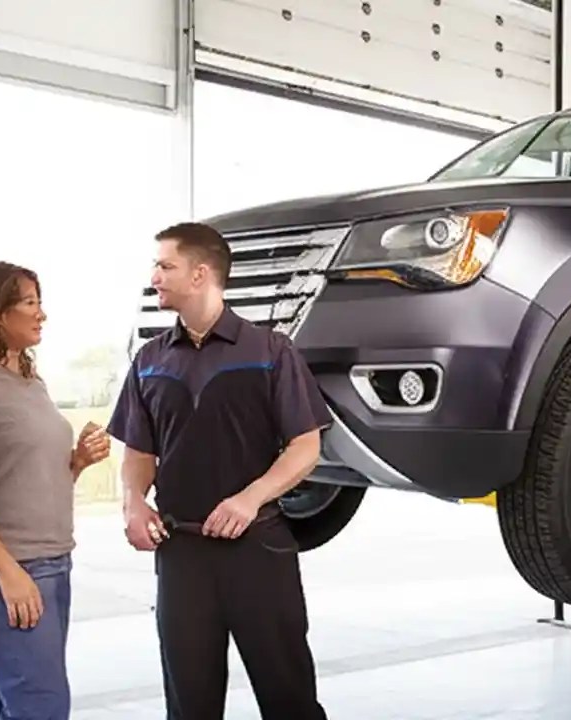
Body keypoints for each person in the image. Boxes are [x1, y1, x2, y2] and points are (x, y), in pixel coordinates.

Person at [108, 222, 331, 720]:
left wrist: (250, 498)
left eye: (165, 266)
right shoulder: (149, 360)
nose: (154, 277)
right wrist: (134, 502)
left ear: (200, 274)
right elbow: (139, 451)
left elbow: (305, 445)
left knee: (289, 699)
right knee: (189, 705)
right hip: (181, 554)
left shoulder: (271, 351)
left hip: (258, 549)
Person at [0, 261, 112, 720]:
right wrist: (7, 572)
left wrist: (76, 462)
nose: (41, 313)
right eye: (29, 302)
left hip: (52, 561)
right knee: (42, 707)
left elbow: (21, 478)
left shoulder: (32, 383)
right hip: (10, 569)